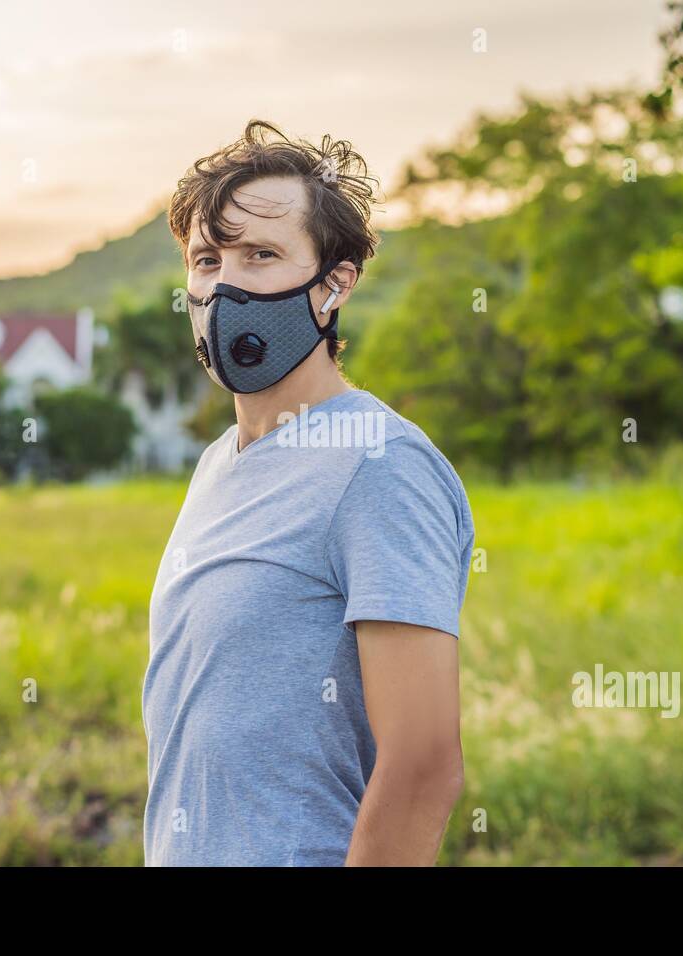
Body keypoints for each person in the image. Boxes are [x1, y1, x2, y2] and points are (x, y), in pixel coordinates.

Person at [142, 120, 475, 866]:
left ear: (334, 285)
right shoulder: (215, 465)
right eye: (206, 259)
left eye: (262, 255)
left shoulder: (380, 467)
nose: (225, 284)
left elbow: (425, 765)